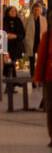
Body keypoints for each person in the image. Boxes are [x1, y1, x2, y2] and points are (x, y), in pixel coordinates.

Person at [34, 17, 52, 145]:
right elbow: (42, 57)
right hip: (50, 76)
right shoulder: (47, 36)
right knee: (50, 106)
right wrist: (38, 77)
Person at [28, 1, 46, 104]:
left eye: (38, 10)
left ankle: (40, 80)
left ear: (41, 11)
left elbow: (45, 29)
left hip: (40, 42)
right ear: (32, 10)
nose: (36, 11)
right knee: (31, 63)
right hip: (31, 43)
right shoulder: (28, 19)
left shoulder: (43, 20)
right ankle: (33, 80)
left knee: (40, 61)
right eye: (35, 10)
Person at [3, 6, 26, 79]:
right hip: (6, 45)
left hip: (16, 46)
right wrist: (7, 35)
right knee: (8, 63)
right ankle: (11, 80)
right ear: (8, 12)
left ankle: (12, 80)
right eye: (11, 11)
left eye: (14, 11)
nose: (13, 13)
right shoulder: (4, 20)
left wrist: (15, 36)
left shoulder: (18, 20)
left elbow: (22, 34)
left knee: (12, 62)